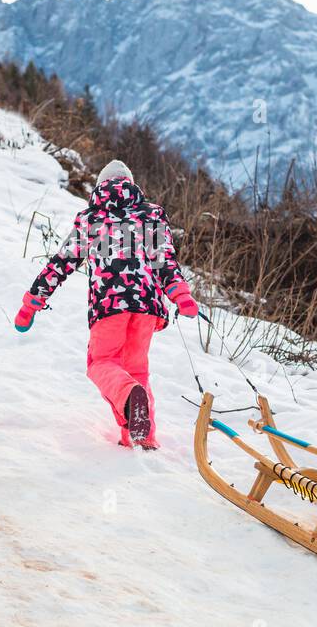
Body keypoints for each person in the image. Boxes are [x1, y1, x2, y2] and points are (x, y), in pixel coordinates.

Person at [14, 160, 199, 449]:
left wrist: (31, 303)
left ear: (100, 187)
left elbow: (61, 264)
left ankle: (129, 399)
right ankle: (141, 439)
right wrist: (180, 294)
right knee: (136, 371)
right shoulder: (150, 216)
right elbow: (166, 261)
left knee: (101, 363)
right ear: (131, 185)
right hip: (146, 308)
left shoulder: (91, 220)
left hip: (109, 306)